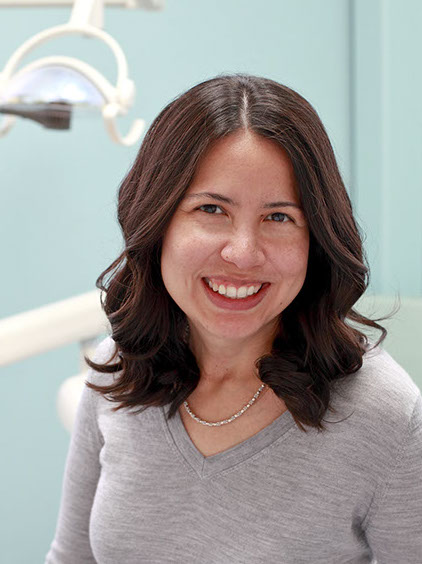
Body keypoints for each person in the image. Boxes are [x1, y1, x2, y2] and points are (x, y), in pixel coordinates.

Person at [45, 73, 422, 563]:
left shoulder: (386, 417)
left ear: (316, 238)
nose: (243, 253)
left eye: (279, 217)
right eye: (211, 209)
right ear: (157, 221)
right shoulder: (119, 368)